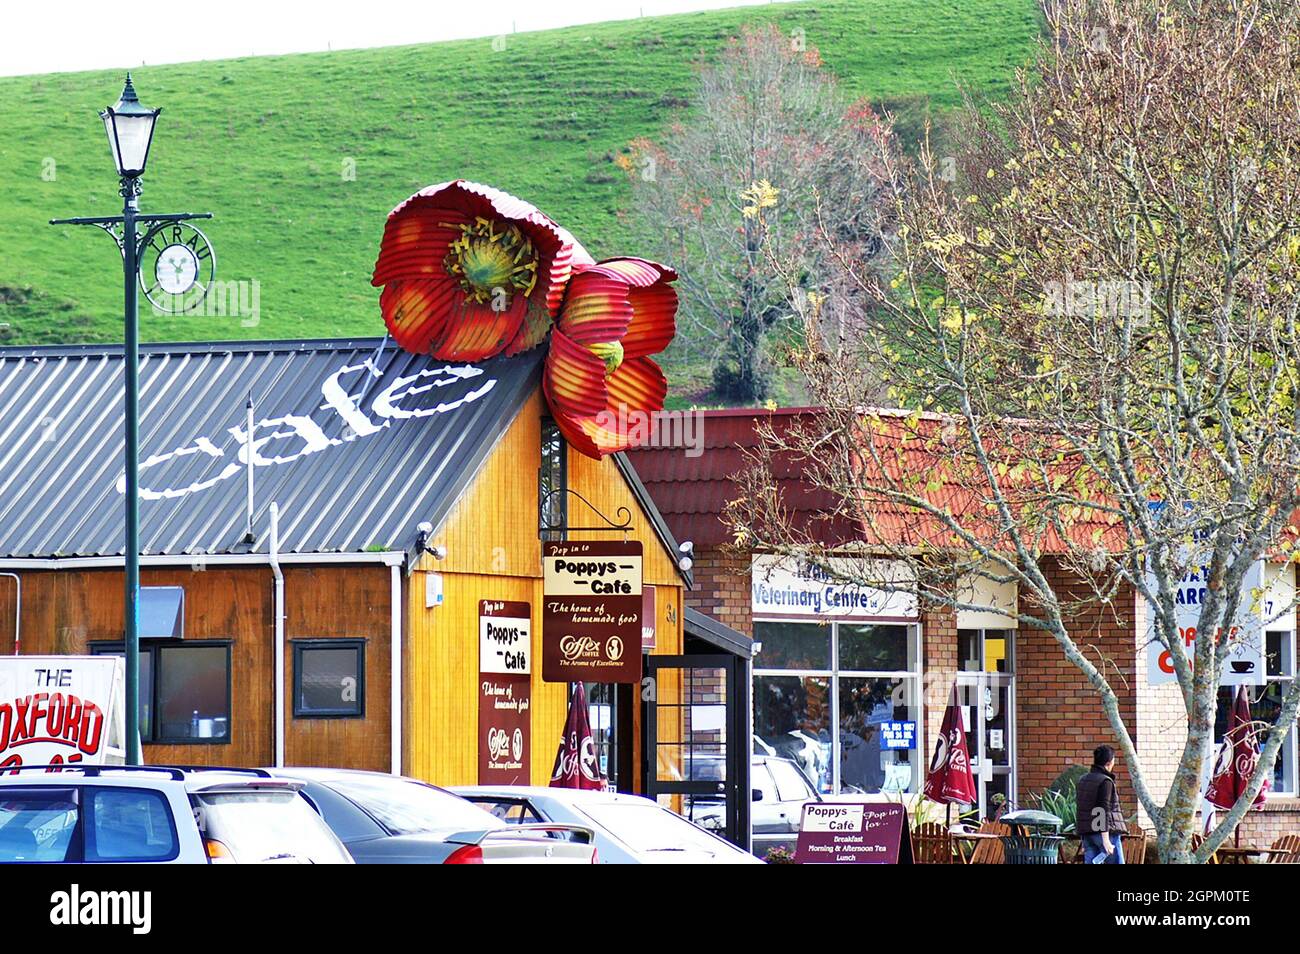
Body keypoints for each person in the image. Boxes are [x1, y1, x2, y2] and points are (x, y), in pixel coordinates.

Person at [1075, 744, 1128, 864]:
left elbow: (1081, 808)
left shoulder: (1083, 780)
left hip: (1087, 834)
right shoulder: (1105, 781)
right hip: (1105, 833)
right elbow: (1102, 809)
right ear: (1110, 762)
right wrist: (1106, 839)